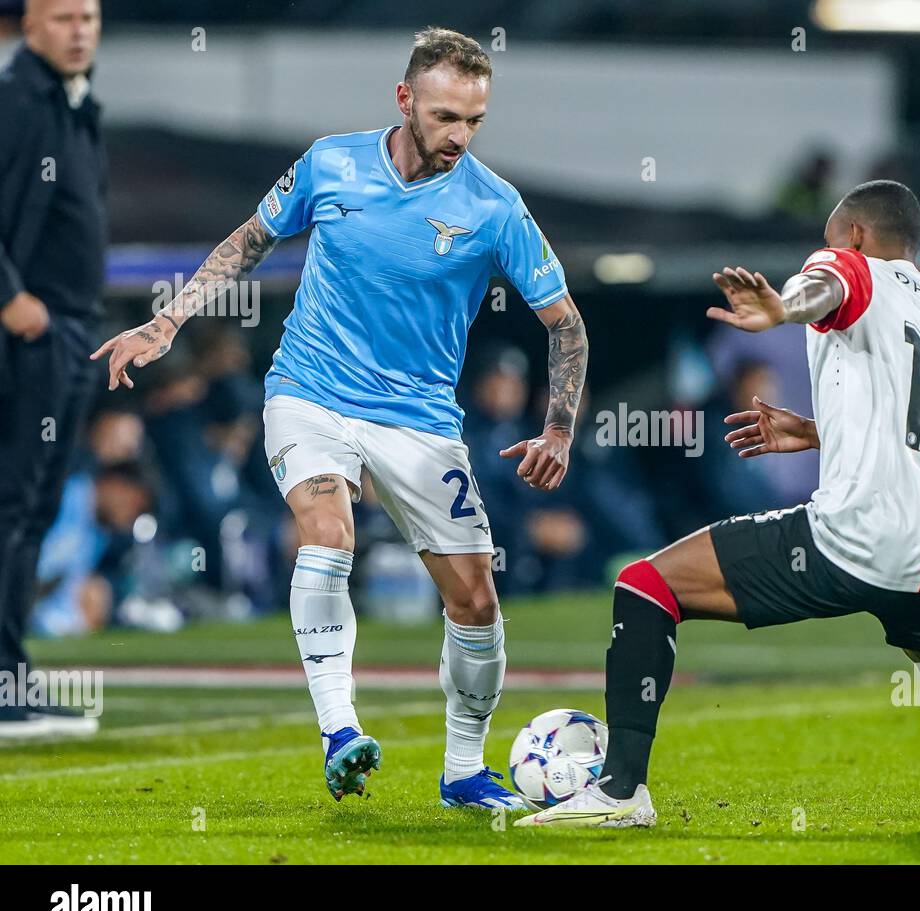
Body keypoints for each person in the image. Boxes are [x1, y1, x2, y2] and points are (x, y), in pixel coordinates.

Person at [91, 27, 589, 809]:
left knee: (476, 601)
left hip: (420, 421)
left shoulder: (495, 205)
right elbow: (250, 241)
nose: (459, 135)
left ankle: (463, 771)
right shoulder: (332, 163)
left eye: (474, 121)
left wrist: (559, 429)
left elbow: (565, 322)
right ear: (405, 100)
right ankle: (339, 733)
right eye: (445, 115)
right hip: (309, 392)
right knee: (327, 533)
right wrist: (169, 323)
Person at [519, 181, 920, 828]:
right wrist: (817, 432)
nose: (823, 247)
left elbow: (830, 286)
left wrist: (783, 306)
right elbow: (919, 430)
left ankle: (619, 793)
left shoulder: (849, 265)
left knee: (646, 587)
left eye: (830, 235)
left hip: (866, 532)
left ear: (859, 235)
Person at [0, 0, 104, 739]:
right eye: (63, 17)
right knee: (11, 505)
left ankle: (14, 675)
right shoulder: (18, 103)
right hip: (29, 336)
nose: (79, 31)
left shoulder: (76, 104)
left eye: (89, 18)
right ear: (28, 25)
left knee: (34, 508)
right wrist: (11, 299)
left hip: (69, 331)